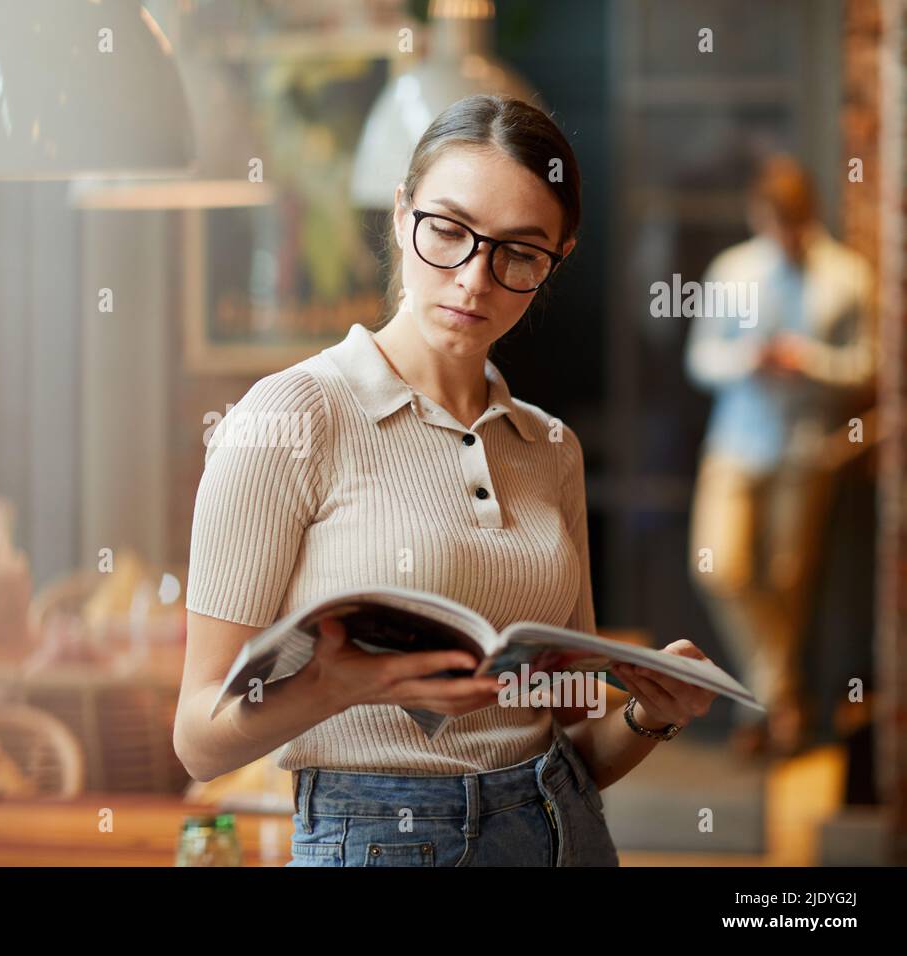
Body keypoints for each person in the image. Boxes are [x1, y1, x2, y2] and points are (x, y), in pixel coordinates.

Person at [175, 94, 719, 867]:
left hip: (565, 832)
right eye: (449, 232)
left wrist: (651, 715)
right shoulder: (289, 418)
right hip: (377, 839)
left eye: (519, 254)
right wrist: (336, 686)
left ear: (554, 262)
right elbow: (197, 741)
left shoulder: (550, 446)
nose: (475, 279)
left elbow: (570, 740)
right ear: (402, 216)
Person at [684, 155, 877, 760]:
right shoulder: (732, 269)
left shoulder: (848, 276)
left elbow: (869, 365)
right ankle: (778, 698)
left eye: (793, 224)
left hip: (804, 449)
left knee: (790, 581)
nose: (785, 236)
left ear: (810, 215)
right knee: (719, 565)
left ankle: (770, 712)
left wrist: (810, 360)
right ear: (757, 217)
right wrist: (749, 359)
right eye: (774, 224)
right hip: (737, 443)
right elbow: (701, 361)